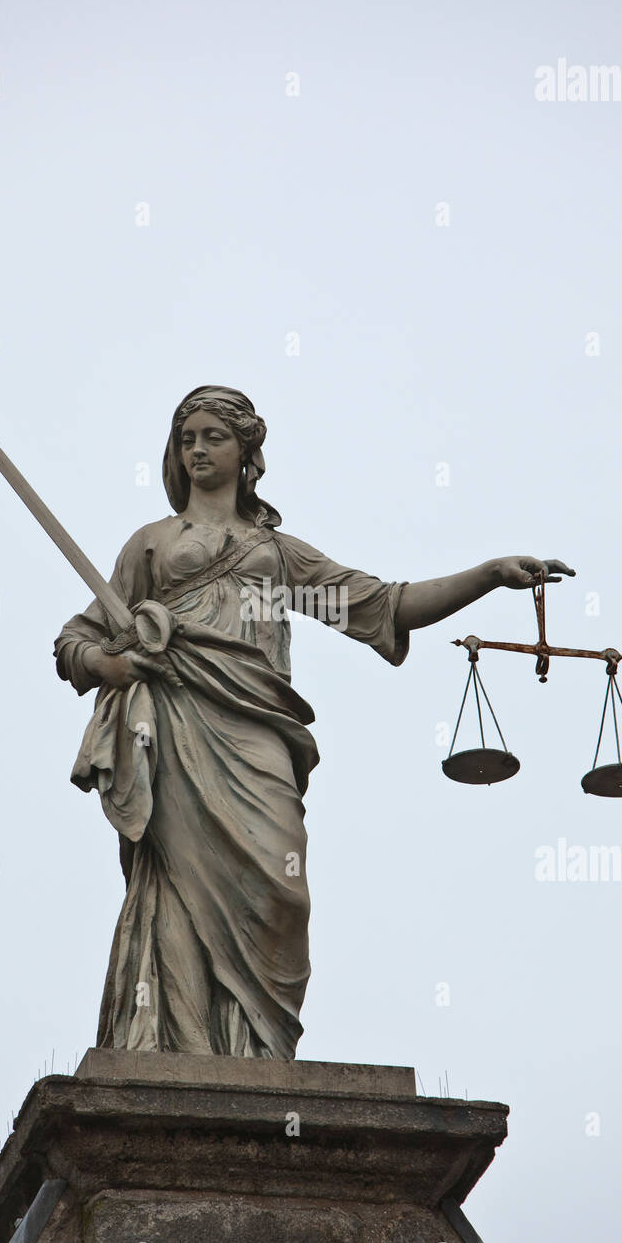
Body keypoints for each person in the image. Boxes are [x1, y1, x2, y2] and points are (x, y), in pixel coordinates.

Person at [54, 385, 574, 1058]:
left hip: (257, 728)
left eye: (213, 437)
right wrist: (109, 663)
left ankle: (258, 1050)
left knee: (282, 893)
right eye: (187, 440)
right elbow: (76, 639)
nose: (198, 450)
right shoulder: (150, 545)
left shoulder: (278, 559)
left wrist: (488, 574)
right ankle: (184, 1050)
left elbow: (385, 605)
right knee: (178, 883)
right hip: (176, 722)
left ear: (246, 449)